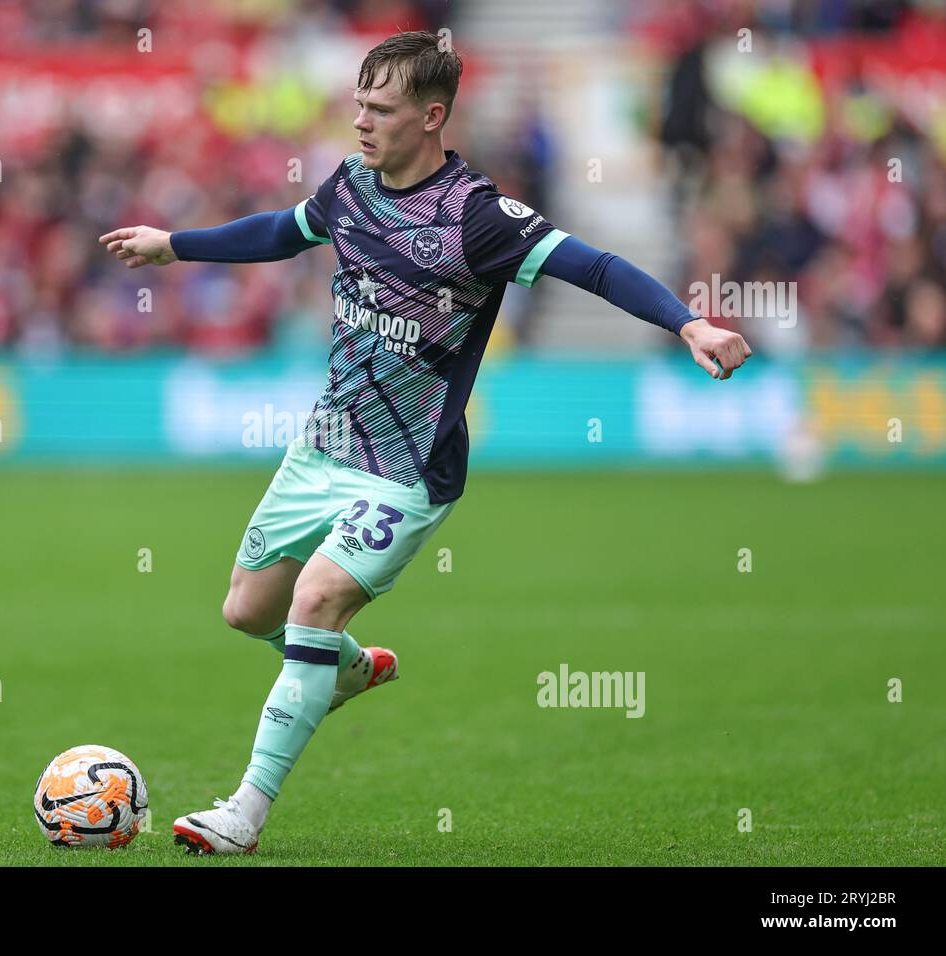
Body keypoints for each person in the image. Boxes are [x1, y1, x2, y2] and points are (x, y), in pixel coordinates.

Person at [98, 31, 752, 855]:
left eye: (381, 109)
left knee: (313, 603)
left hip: (408, 469)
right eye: (359, 104)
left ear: (432, 116)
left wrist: (687, 321)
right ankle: (347, 670)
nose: (362, 122)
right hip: (325, 446)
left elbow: (595, 267)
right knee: (247, 609)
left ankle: (243, 815)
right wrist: (173, 244)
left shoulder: (476, 217)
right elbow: (281, 231)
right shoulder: (351, 187)